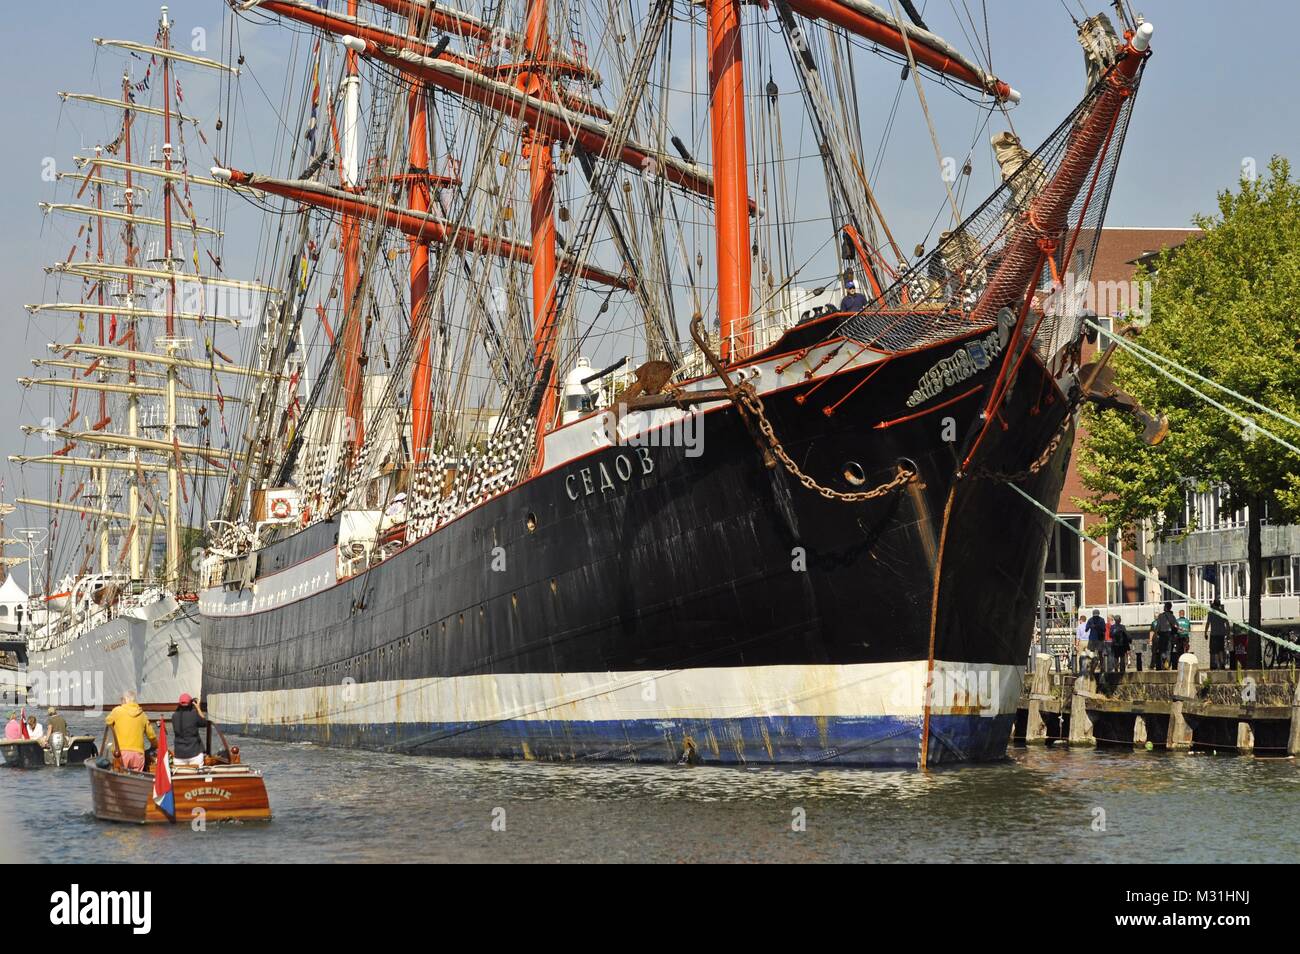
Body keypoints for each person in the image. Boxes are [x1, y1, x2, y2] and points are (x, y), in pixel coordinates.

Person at [105, 691, 156, 773]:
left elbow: (108, 721)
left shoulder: (117, 711)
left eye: (121, 699)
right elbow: (152, 736)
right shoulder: (142, 714)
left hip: (122, 753)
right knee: (137, 778)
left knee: (121, 777)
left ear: (124, 700)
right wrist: (155, 745)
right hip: (138, 754)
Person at [170, 693, 210, 768]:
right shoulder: (194, 714)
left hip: (179, 755)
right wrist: (198, 708)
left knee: (180, 776)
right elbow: (204, 723)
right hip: (195, 753)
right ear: (191, 703)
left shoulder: (174, 716)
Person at [1151, 601, 1177, 671]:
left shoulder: (1161, 616)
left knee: (1162, 650)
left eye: (1164, 606)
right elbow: (1176, 626)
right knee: (1168, 651)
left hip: (1162, 635)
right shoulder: (1172, 616)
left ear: (1165, 607)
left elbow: (1157, 626)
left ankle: (1163, 664)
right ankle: (1167, 665)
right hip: (1169, 635)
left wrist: (1155, 634)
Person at [1206, 599, 1229, 670]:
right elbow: (1227, 624)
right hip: (1222, 633)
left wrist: (1205, 632)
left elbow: (1208, 623)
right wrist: (1227, 633)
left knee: (1215, 650)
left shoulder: (1211, 613)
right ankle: (1222, 663)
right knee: (1221, 649)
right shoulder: (1223, 612)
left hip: (1214, 634)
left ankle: (1218, 664)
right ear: (1219, 604)